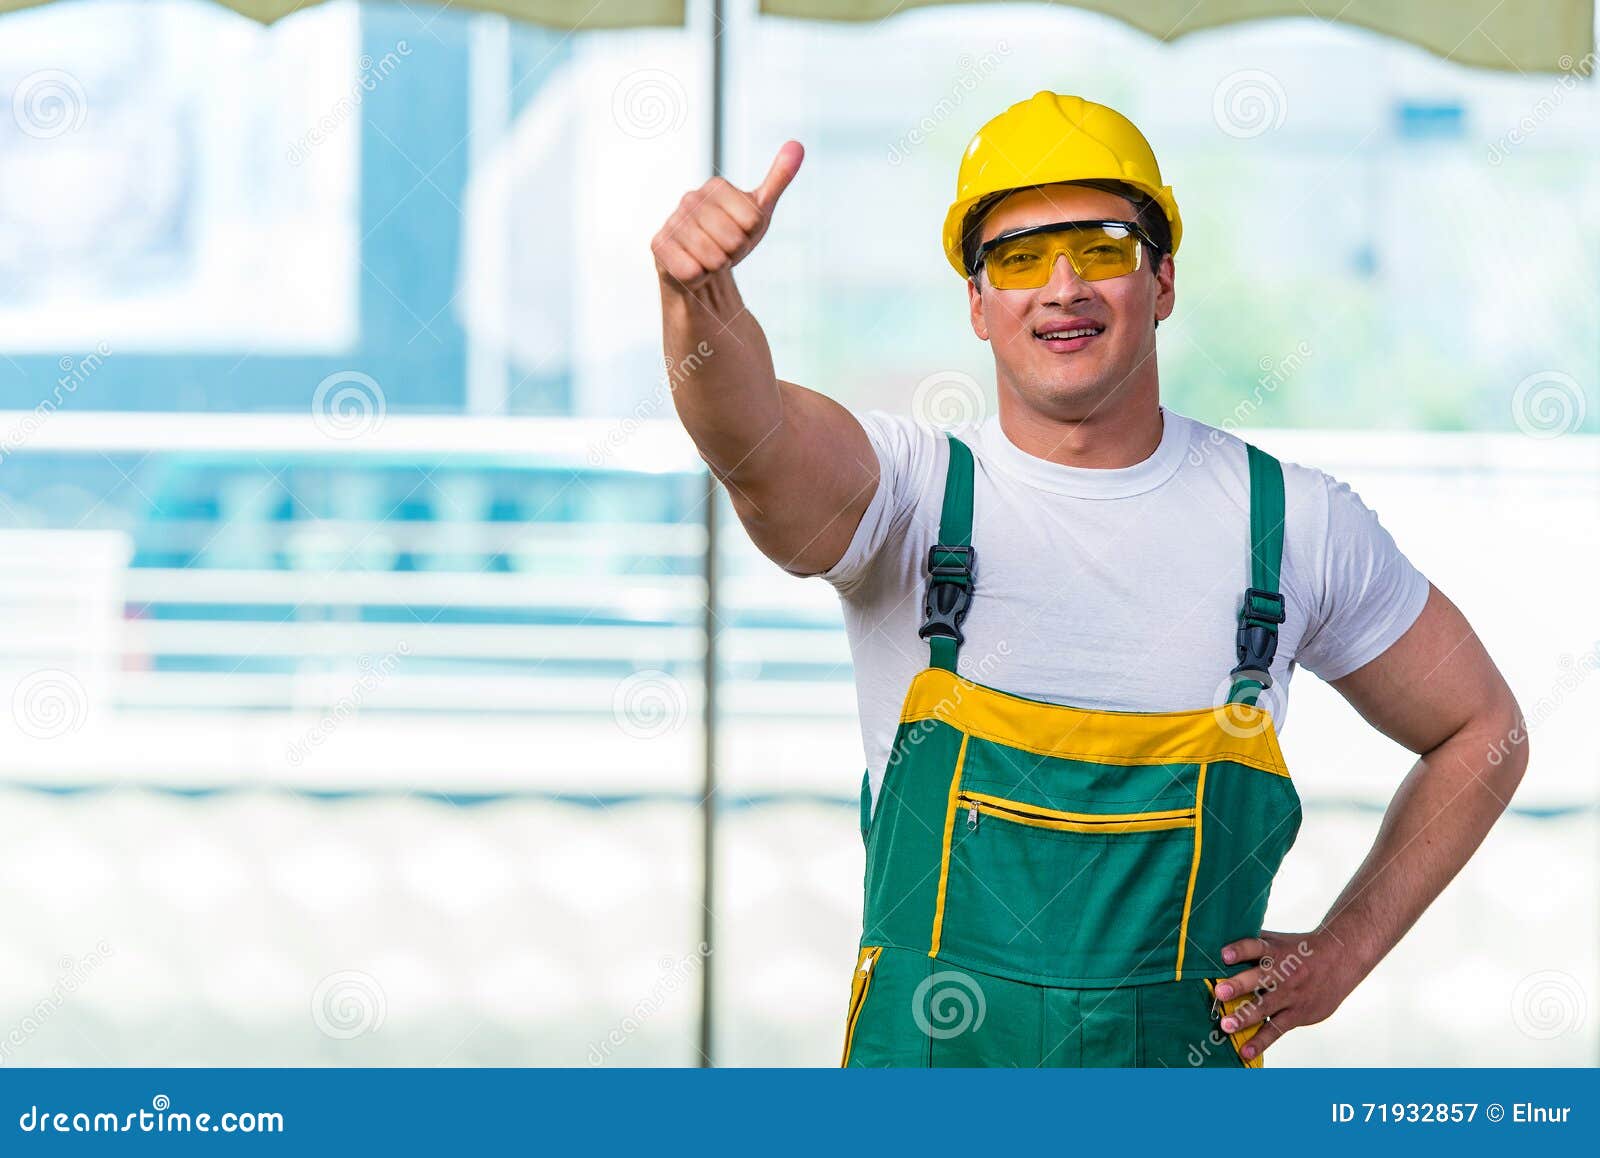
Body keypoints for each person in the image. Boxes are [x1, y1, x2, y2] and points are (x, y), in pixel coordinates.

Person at [651, 91, 1527, 1067]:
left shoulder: (1293, 527)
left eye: (1102, 247)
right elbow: (753, 435)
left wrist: (1344, 951)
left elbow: (1482, 731)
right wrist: (700, 298)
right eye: (1019, 258)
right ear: (977, 306)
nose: (1062, 285)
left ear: (1161, 281)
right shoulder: (909, 497)